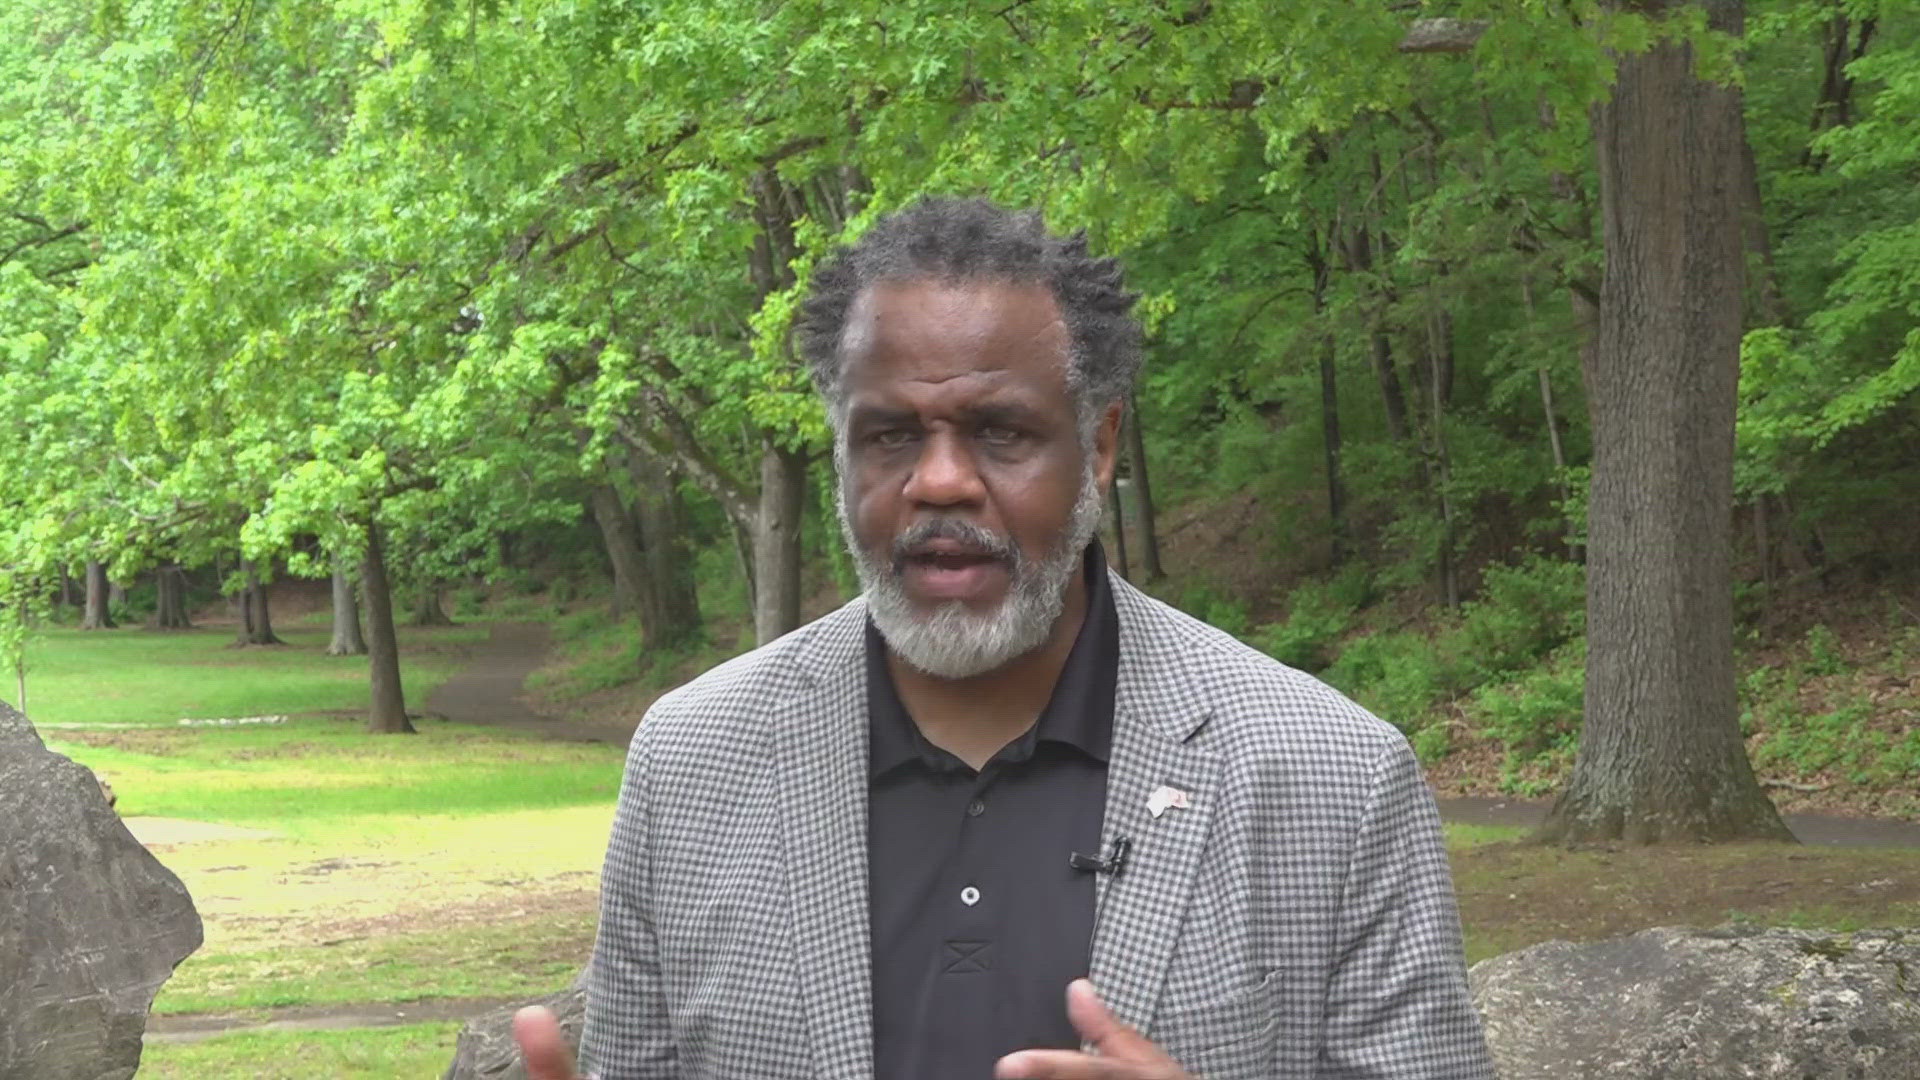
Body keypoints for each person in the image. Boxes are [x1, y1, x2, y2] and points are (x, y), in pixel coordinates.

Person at [516, 197, 1493, 1079]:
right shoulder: (690, 763)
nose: (940, 481)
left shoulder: (1335, 779)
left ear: (1098, 446)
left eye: (1001, 432)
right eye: (891, 436)